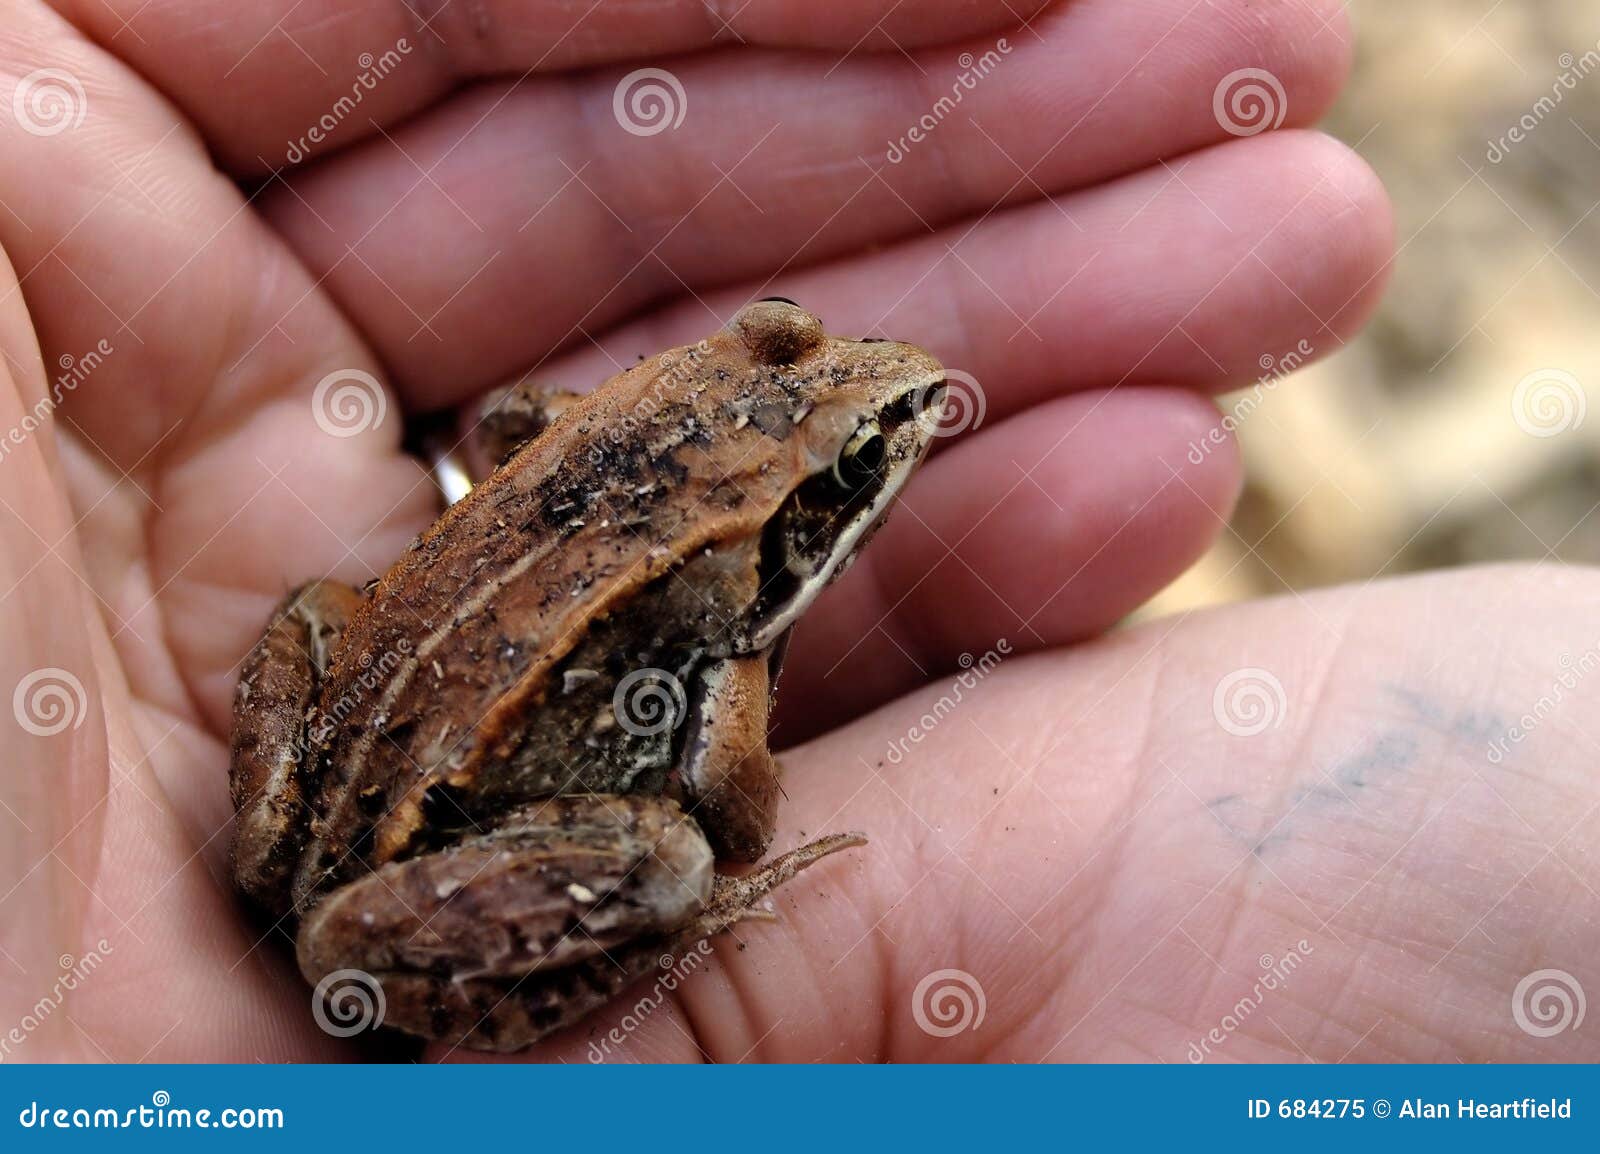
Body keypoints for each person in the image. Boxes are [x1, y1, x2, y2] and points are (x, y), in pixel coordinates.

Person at [2, 0, 1585, 1064]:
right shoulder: (718, 638)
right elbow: (741, 809)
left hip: (313, 790)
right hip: (395, 881)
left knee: (310, 611)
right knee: (685, 862)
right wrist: (716, 858)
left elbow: (506, 437)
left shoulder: (573, 423)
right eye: (829, 481)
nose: (881, 410)